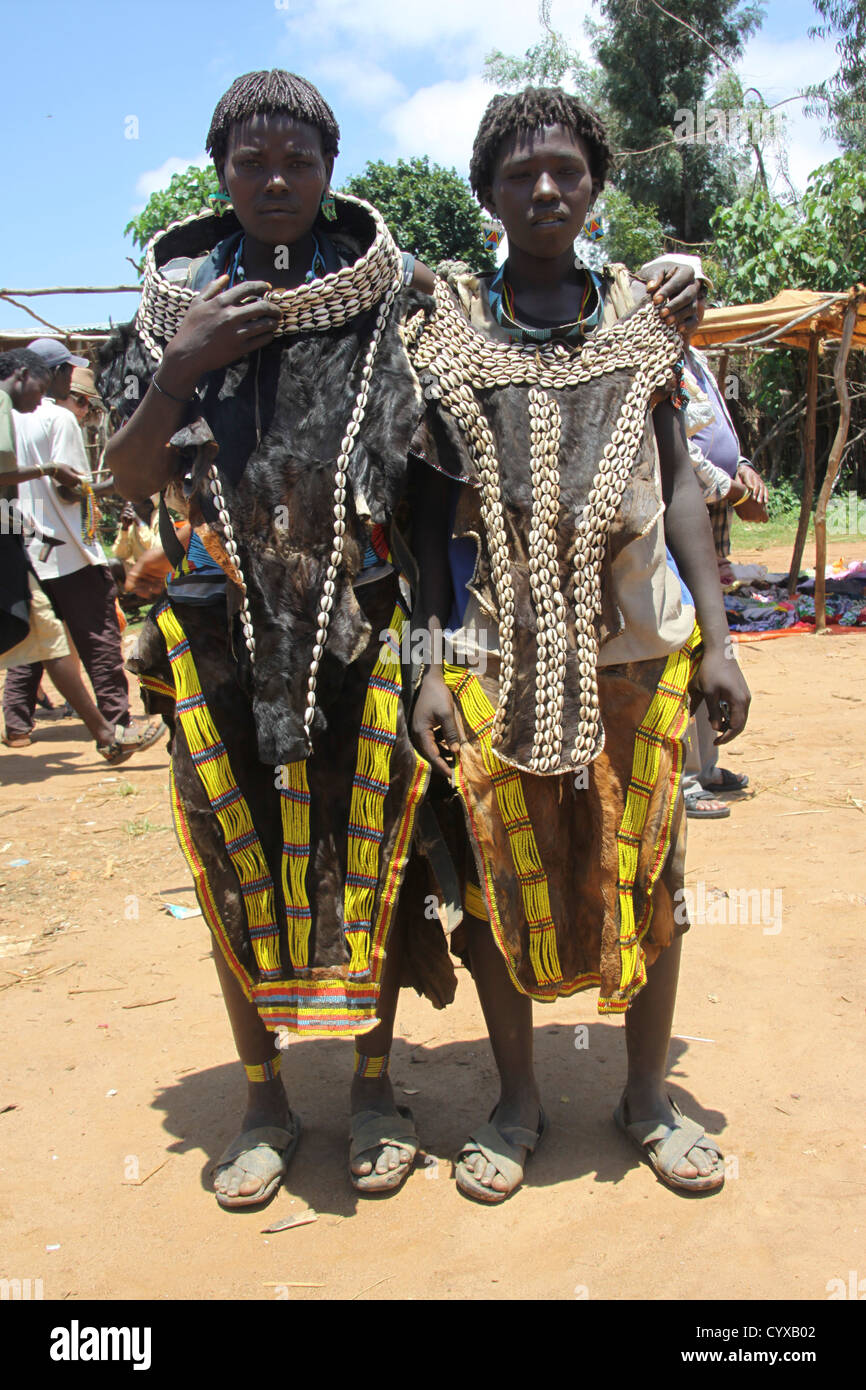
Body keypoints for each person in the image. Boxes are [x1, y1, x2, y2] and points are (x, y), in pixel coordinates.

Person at [101, 72, 699, 1210]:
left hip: (365, 633)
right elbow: (129, 475)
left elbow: (435, 484)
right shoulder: (167, 310)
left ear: (330, 169)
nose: (274, 179)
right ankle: (266, 1102)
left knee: (376, 864)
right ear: (218, 171)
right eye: (250, 161)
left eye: (298, 159)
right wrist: (186, 365)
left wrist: (679, 276)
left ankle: (376, 1091)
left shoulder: (395, 308)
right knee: (239, 866)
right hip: (219, 634)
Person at [407, 88, 750, 1202]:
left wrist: (716, 639)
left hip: (636, 653)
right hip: (495, 655)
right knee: (497, 869)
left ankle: (644, 1095)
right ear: (487, 195)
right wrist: (422, 655)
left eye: (564, 169)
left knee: (651, 874)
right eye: (520, 175)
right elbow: (420, 512)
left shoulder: (645, 323)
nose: (544, 190)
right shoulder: (447, 328)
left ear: (593, 184)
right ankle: (517, 1099)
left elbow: (681, 490)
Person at [643, 254, 768, 818]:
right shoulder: (647, 355)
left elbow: (717, 429)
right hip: (672, 526)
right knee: (681, 645)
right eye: (684, 292)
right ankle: (685, 778)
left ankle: (708, 763)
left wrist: (743, 465)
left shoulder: (694, 357)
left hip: (708, 526)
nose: (695, 305)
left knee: (714, 639)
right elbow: (680, 459)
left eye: (701, 295)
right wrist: (733, 492)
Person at [0, 349, 163, 763]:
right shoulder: (57, 418)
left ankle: (17, 724)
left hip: (22, 544)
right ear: (55, 374)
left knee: (36, 635)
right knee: (99, 637)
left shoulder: (9, 416)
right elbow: (70, 492)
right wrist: (116, 484)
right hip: (66, 548)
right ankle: (118, 722)